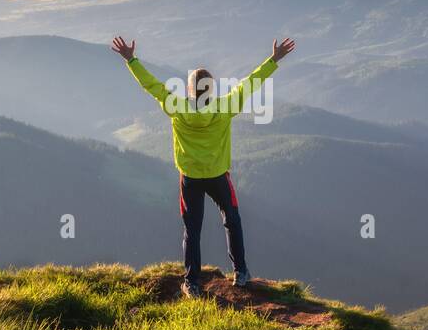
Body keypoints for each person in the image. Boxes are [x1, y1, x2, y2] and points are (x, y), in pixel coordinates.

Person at [111, 36, 295, 297]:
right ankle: (240, 273)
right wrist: (274, 59)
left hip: (191, 178)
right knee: (232, 220)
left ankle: (193, 283)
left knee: (192, 230)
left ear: (189, 90)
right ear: (210, 89)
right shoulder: (225, 107)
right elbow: (250, 84)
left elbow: (151, 85)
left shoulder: (177, 108)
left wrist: (130, 59)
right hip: (219, 176)